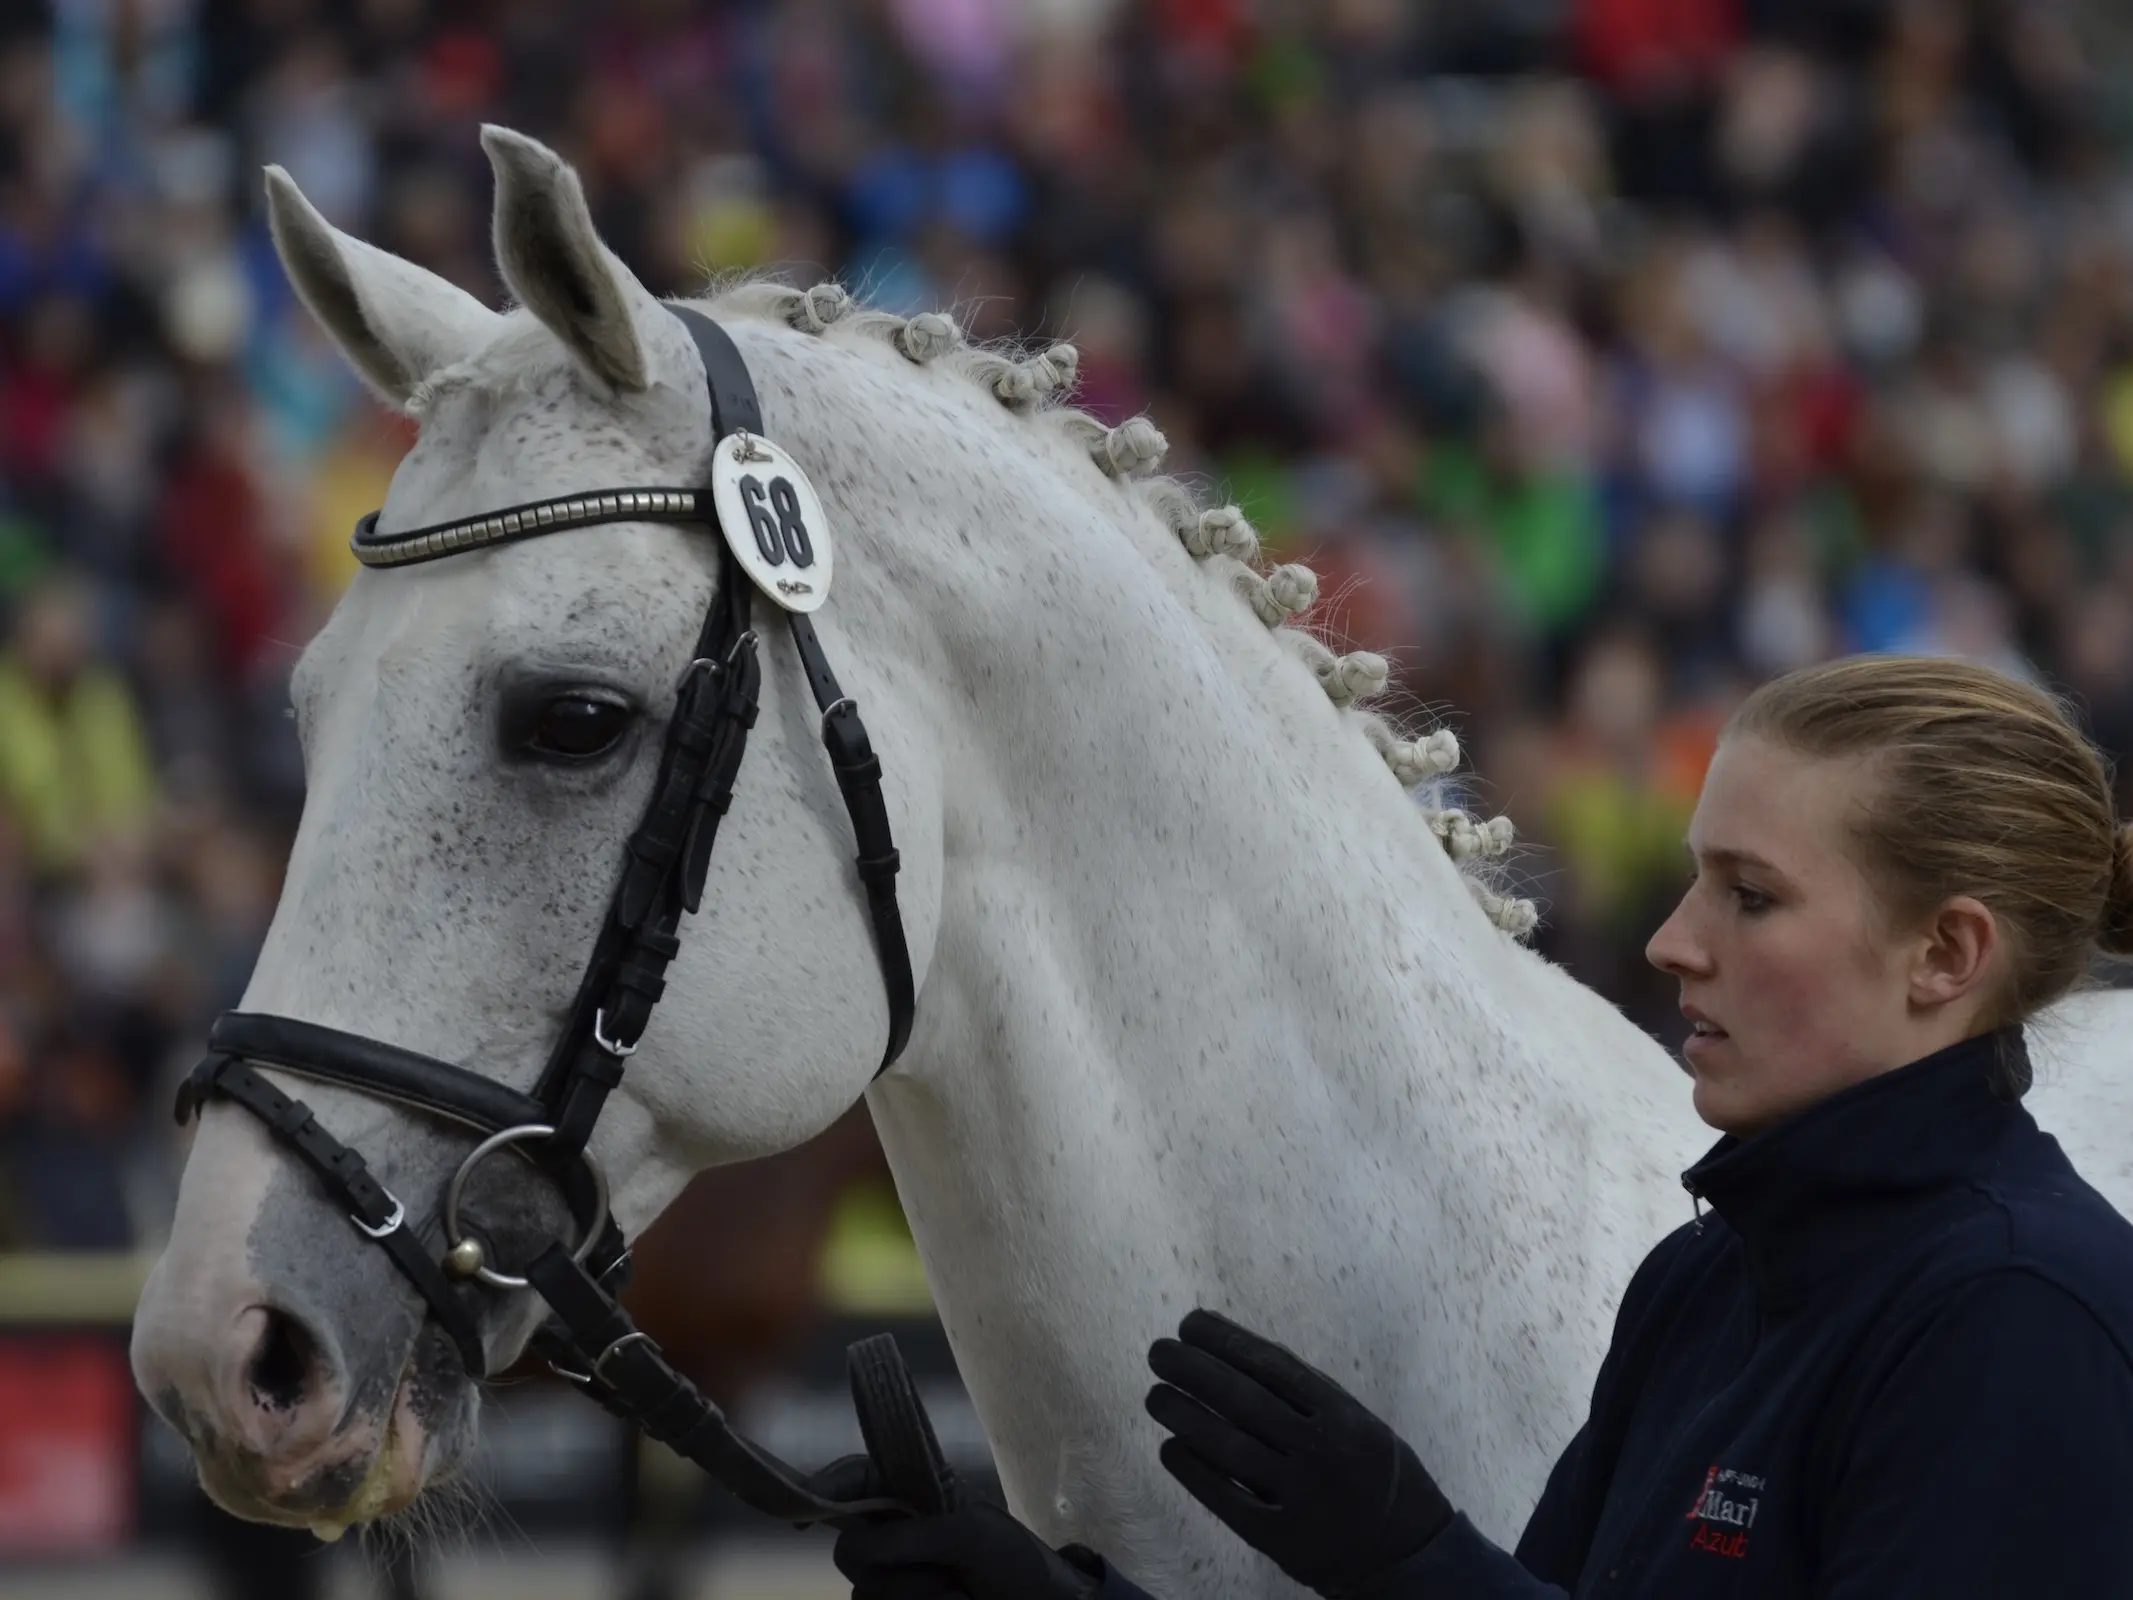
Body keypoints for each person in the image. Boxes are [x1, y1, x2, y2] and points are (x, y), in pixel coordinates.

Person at [827, 654, 2133, 1598]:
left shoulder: (2021, 1313)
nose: (1676, 943)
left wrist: (1410, 1563)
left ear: (1946, 954)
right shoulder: (1704, 1280)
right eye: (1695, 881)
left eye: (1751, 897)